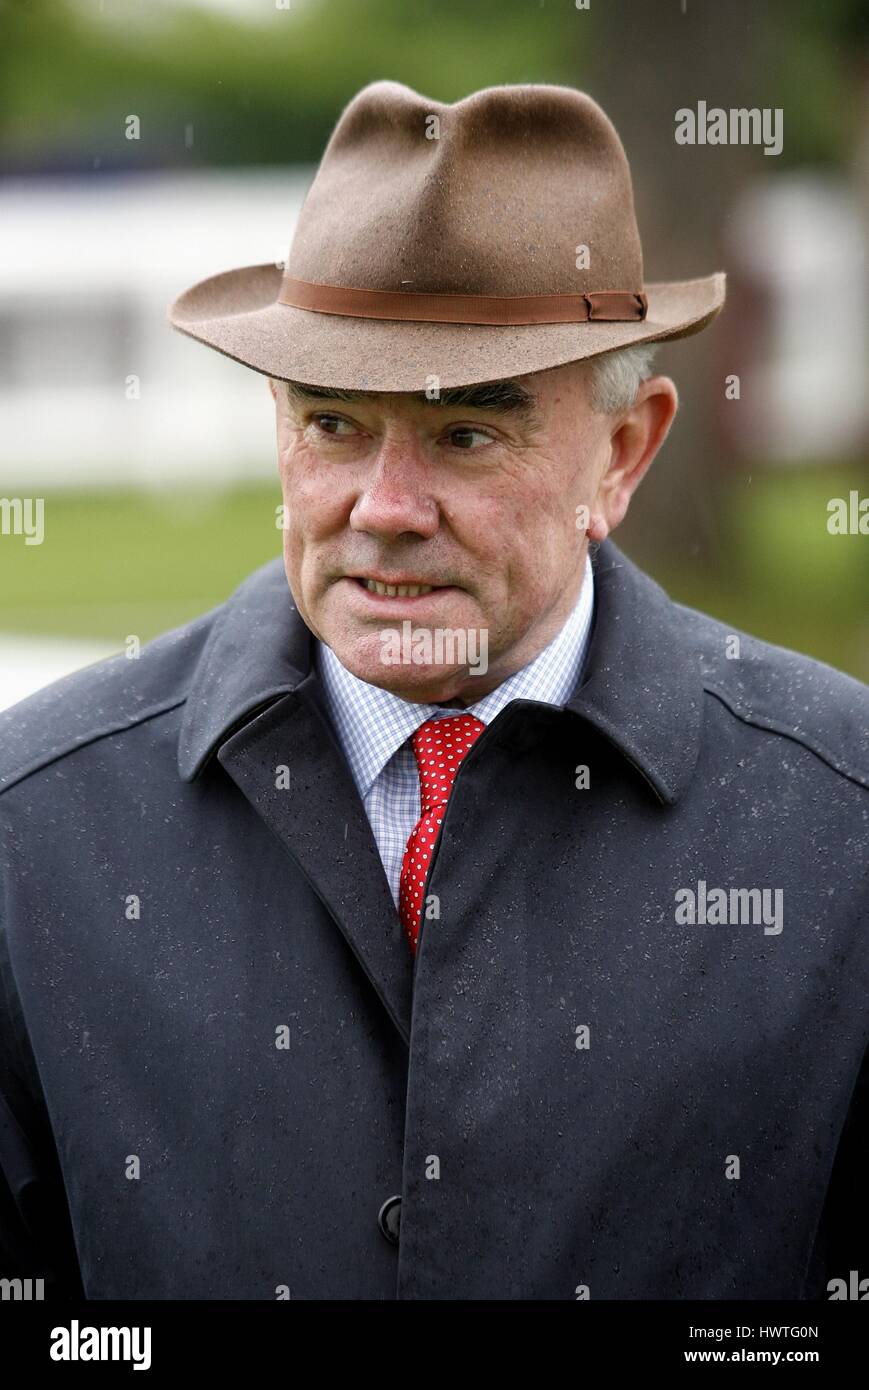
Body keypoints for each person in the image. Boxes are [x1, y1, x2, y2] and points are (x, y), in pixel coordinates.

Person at [1, 80, 866, 1301]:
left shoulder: (838, 827)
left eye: (464, 434)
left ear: (622, 453)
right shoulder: (35, 826)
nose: (386, 508)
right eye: (334, 425)